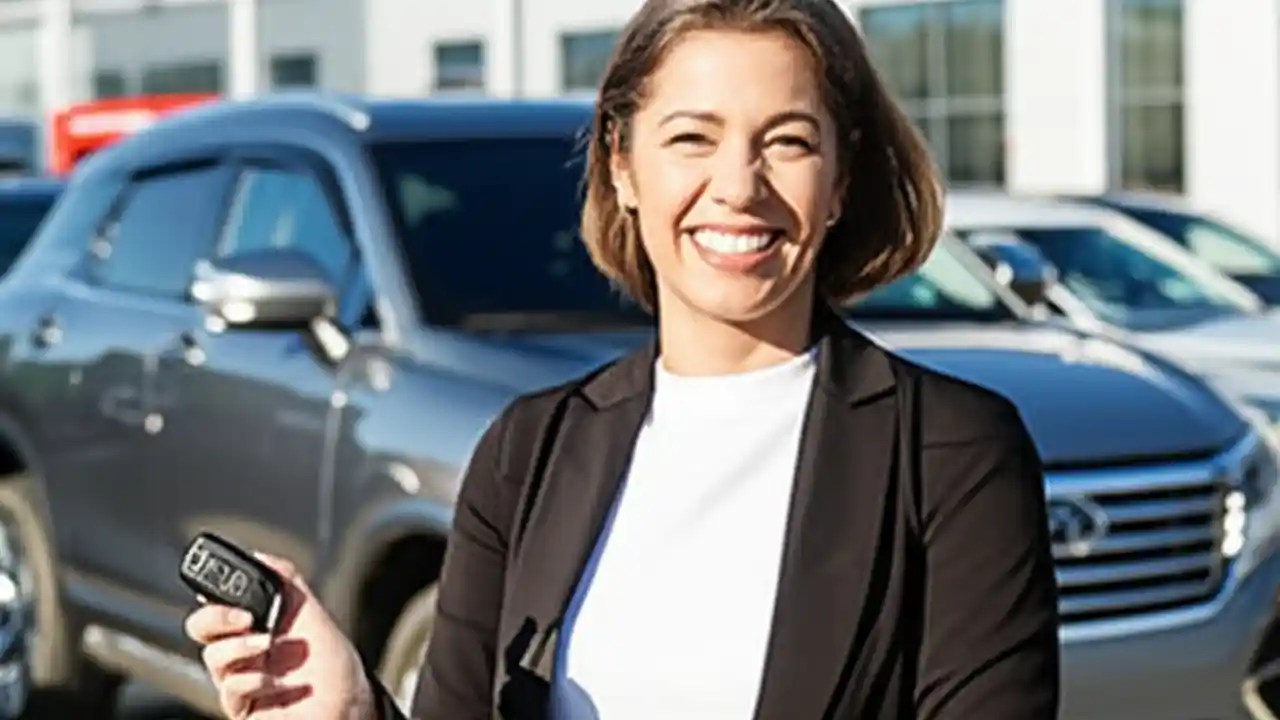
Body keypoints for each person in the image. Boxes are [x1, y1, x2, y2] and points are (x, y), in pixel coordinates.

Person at [183, 0, 1062, 717]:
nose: (739, 185)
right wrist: (351, 715)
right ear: (624, 166)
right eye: (692, 137)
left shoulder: (949, 453)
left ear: (839, 181)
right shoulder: (528, 453)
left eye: (788, 141)